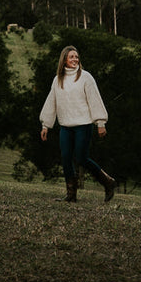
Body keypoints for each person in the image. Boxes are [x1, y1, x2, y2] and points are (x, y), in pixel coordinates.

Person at [39, 46, 118, 202]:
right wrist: (45, 125)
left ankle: (107, 182)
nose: (75, 59)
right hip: (65, 126)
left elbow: (95, 100)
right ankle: (71, 195)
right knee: (66, 158)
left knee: (81, 158)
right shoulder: (57, 79)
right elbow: (51, 102)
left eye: (76, 56)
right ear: (64, 60)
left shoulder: (85, 77)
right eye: (71, 57)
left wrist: (100, 122)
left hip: (83, 125)